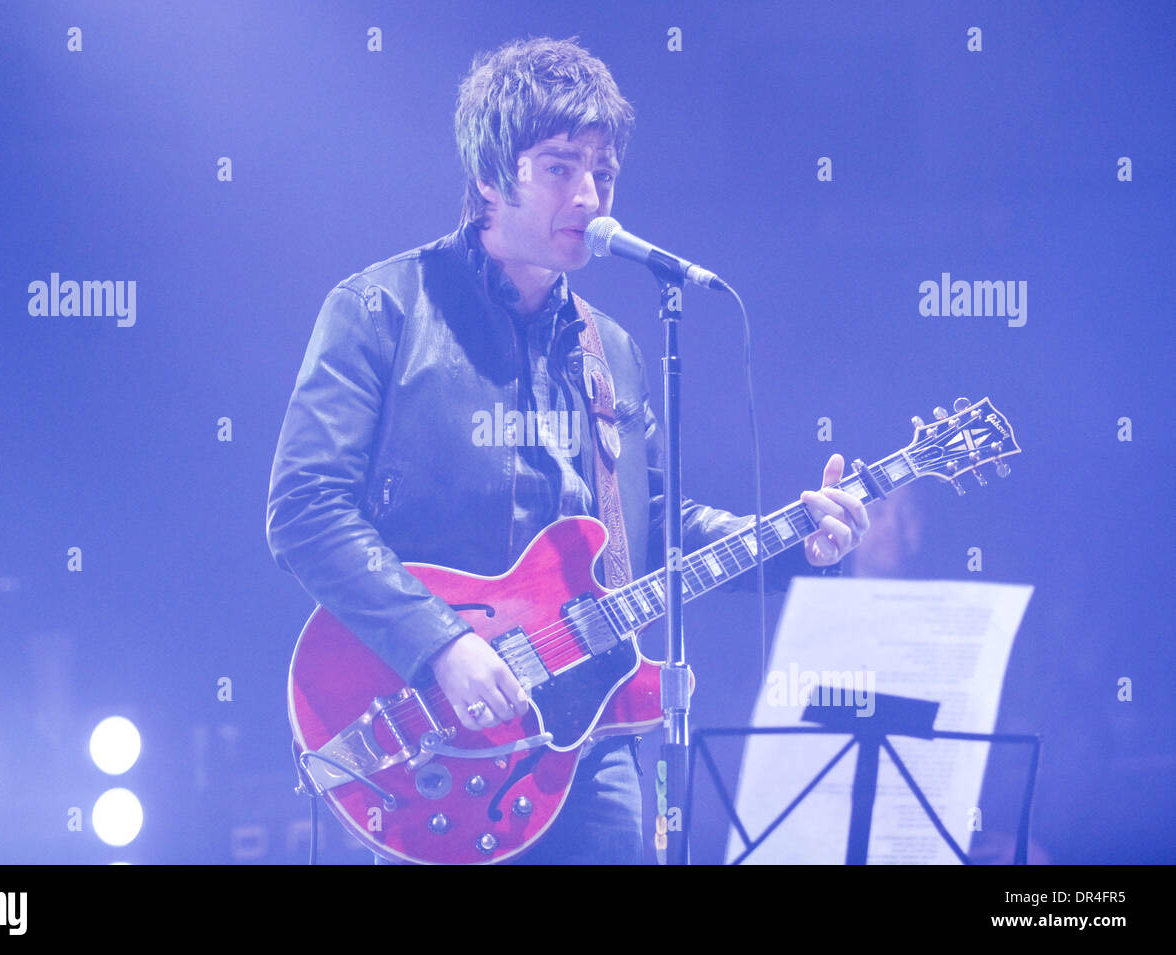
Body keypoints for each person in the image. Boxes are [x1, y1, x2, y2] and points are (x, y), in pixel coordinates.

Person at [266, 36, 870, 864]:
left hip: (591, 738)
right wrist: (442, 643)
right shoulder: (381, 310)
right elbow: (305, 509)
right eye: (559, 167)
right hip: (434, 737)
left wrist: (794, 538)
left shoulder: (609, 349)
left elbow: (652, 522)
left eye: (603, 172)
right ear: (489, 176)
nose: (590, 195)